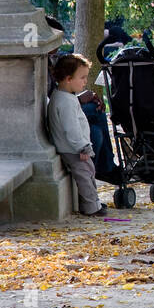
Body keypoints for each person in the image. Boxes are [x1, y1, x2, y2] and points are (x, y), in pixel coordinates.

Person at [48, 53, 107, 217]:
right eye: (82, 78)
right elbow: (71, 129)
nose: (85, 82)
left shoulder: (64, 96)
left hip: (73, 146)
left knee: (88, 172)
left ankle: (93, 202)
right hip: (73, 148)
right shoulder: (65, 101)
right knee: (85, 175)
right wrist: (83, 146)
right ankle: (91, 207)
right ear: (68, 79)